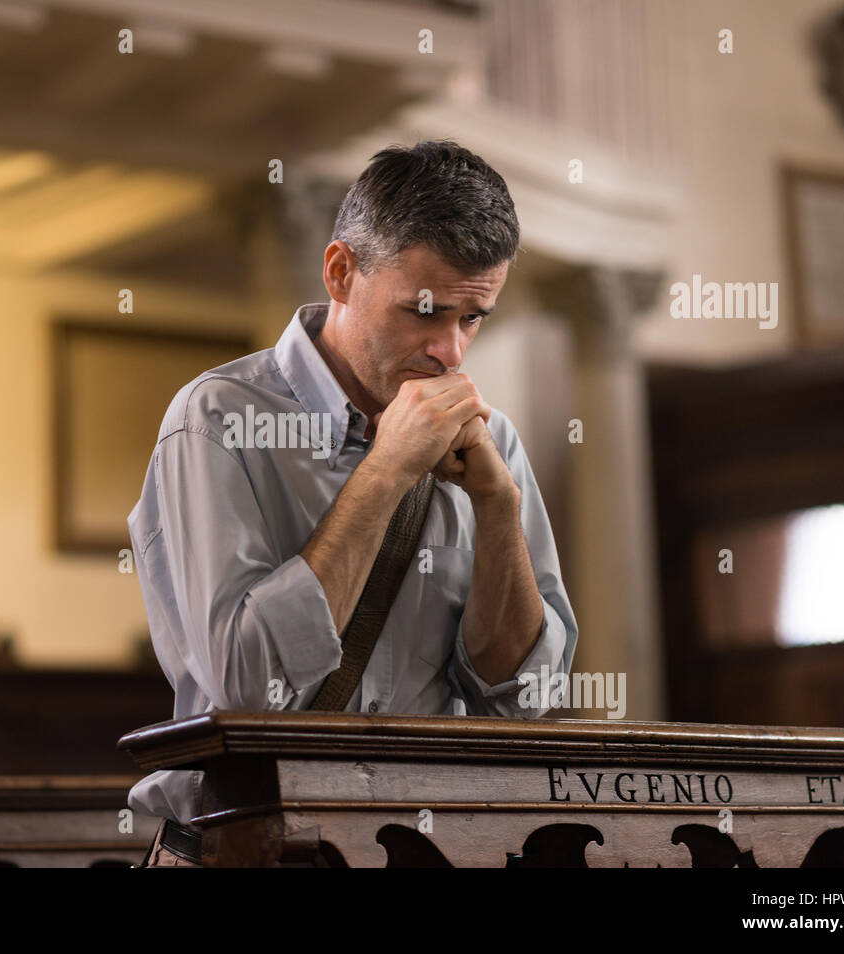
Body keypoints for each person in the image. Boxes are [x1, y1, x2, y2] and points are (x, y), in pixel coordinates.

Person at [128, 140, 578, 867]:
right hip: (244, 852)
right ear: (341, 272)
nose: (451, 351)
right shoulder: (213, 418)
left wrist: (498, 508)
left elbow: (526, 700)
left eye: (474, 318)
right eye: (425, 312)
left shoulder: (495, 442)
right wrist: (386, 470)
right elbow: (250, 692)